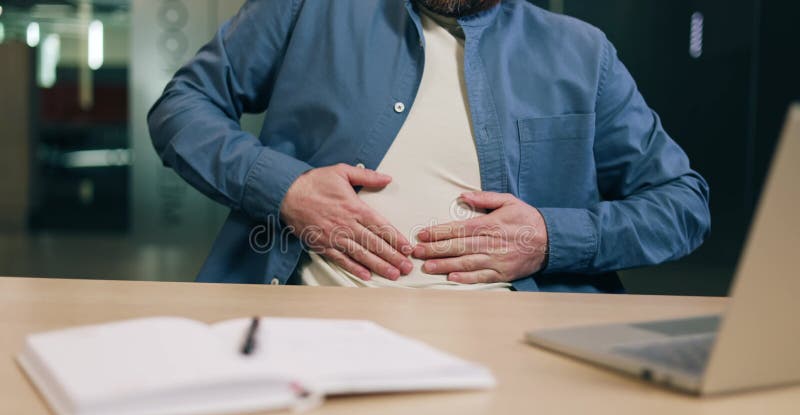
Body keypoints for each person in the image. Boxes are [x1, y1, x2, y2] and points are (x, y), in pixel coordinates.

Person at [148, 0, 711, 293]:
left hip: (515, 348)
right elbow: (181, 107)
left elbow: (682, 205)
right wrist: (286, 189)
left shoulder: (583, 55)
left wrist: (549, 238)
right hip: (312, 332)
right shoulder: (306, 8)